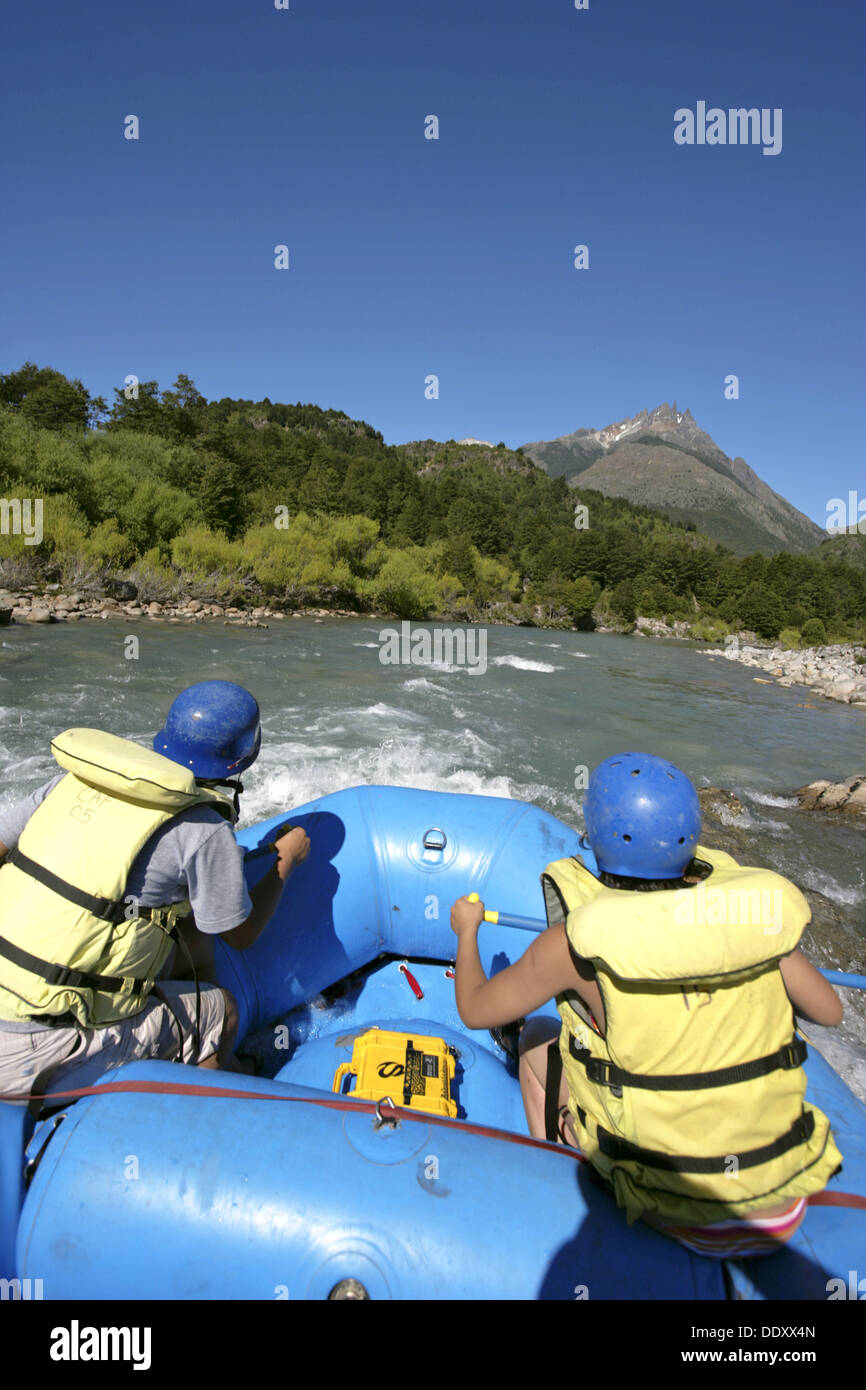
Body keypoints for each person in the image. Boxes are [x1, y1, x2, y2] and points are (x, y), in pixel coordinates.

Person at [450, 751, 844, 1257]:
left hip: (668, 1206)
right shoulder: (756, 919)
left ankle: (563, 1183)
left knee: (534, 1039)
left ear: (595, 842)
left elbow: (475, 1010)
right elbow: (829, 1013)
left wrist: (467, 931)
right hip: (780, 1206)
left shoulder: (574, 945)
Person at [0, 680, 309, 1106]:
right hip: (31, 1055)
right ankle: (217, 1097)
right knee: (221, 1010)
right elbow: (240, 933)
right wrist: (286, 860)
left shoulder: (67, 785)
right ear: (242, 758)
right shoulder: (203, 829)